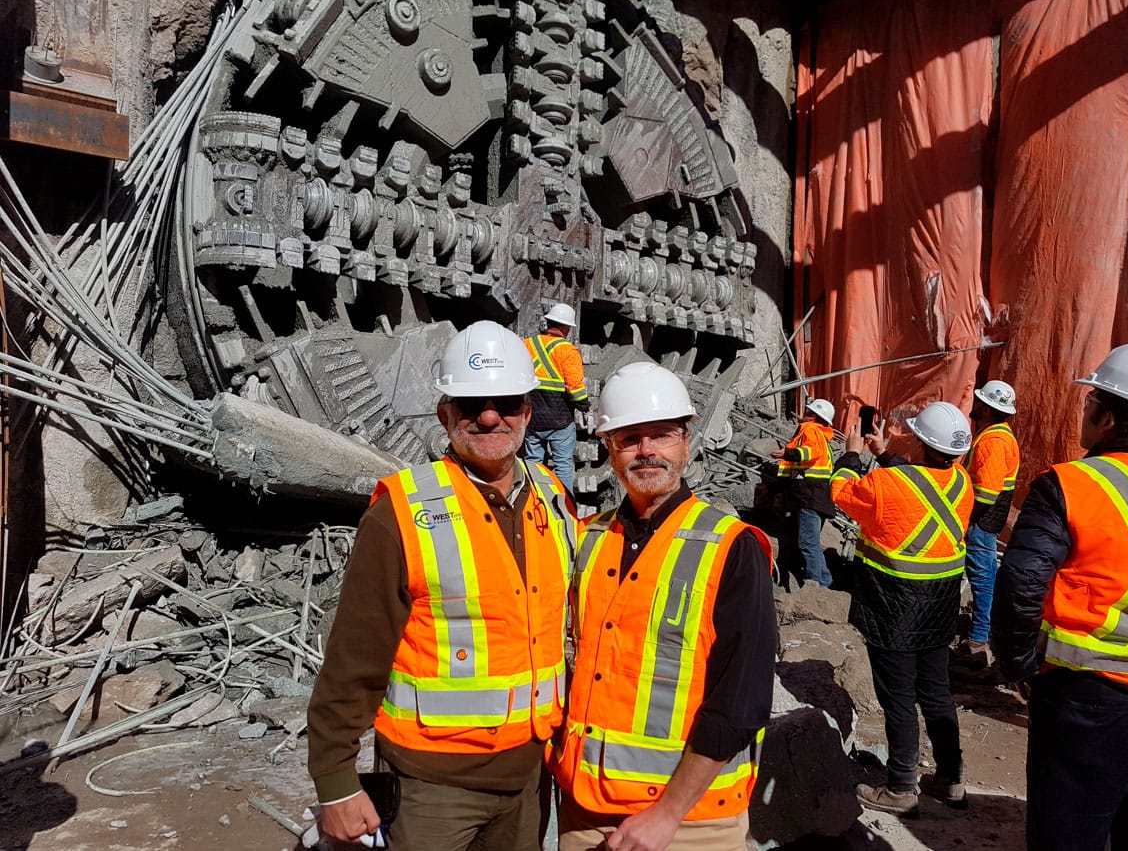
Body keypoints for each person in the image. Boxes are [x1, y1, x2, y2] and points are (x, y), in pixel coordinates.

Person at [306, 320, 577, 851]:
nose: (490, 417)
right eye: (471, 404)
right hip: (431, 787)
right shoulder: (401, 513)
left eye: (506, 403)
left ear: (528, 412)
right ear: (444, 414)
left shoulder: (552, 499)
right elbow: (355, 656)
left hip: (529, 778)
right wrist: (335, 782)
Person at [551, 360, 777, 851]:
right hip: (586, 806)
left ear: (686, 443)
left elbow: (742, 699)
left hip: (690, 820)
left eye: (661, 435)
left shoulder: (731, 547)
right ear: (608, 448)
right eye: (629, 438)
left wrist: (667, 814)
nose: (647, 450)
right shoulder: (588, 539)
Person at [991, 342, 1128, 851]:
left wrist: (1017, 665)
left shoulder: (1070, 484)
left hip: (1090, 701)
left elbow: (1020, 584)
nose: (1085, 410)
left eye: (1090, 401)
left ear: (1109, 418)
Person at [831, 402, 974, 817]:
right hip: (939, 606)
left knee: (898, 699)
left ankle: (900, 787)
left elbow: (841, 492)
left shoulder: (886, 483)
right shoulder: (962, 482)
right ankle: (950, 779)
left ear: (920, 442)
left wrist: (852, 455)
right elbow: (920, 487)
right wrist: (884, 454)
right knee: (936, 693)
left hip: (893, 606)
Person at [960, 379, 1020, 663]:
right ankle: (985, 632)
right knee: (986, 577)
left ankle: (979, 639)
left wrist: (965, 518)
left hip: (981, 523)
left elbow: (986, 492)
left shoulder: (994, 440)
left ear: (986, 408)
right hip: (985, 522)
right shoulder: (997, 435)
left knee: (982, 579)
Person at [769, 398, 837, 588]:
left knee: (807, 543)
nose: (804, 414)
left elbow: (810, 452)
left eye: (808, 411)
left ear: (813, 416)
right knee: (812, 542)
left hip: (809, 497)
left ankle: (814, 584)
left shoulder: (810, 429)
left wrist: (788, 453)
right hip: (818, 497)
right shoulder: (823, 436)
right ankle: (825, 581)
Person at [523, 302, 590, 493]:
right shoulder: (567, 350)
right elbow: (575, 387)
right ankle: (564, 504)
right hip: (560, 419)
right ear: (566, 327)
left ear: (549, 322)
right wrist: (584, 406)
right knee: (563, 466)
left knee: (533, 464)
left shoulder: (527, 344)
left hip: (533, 418)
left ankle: (533, 500)